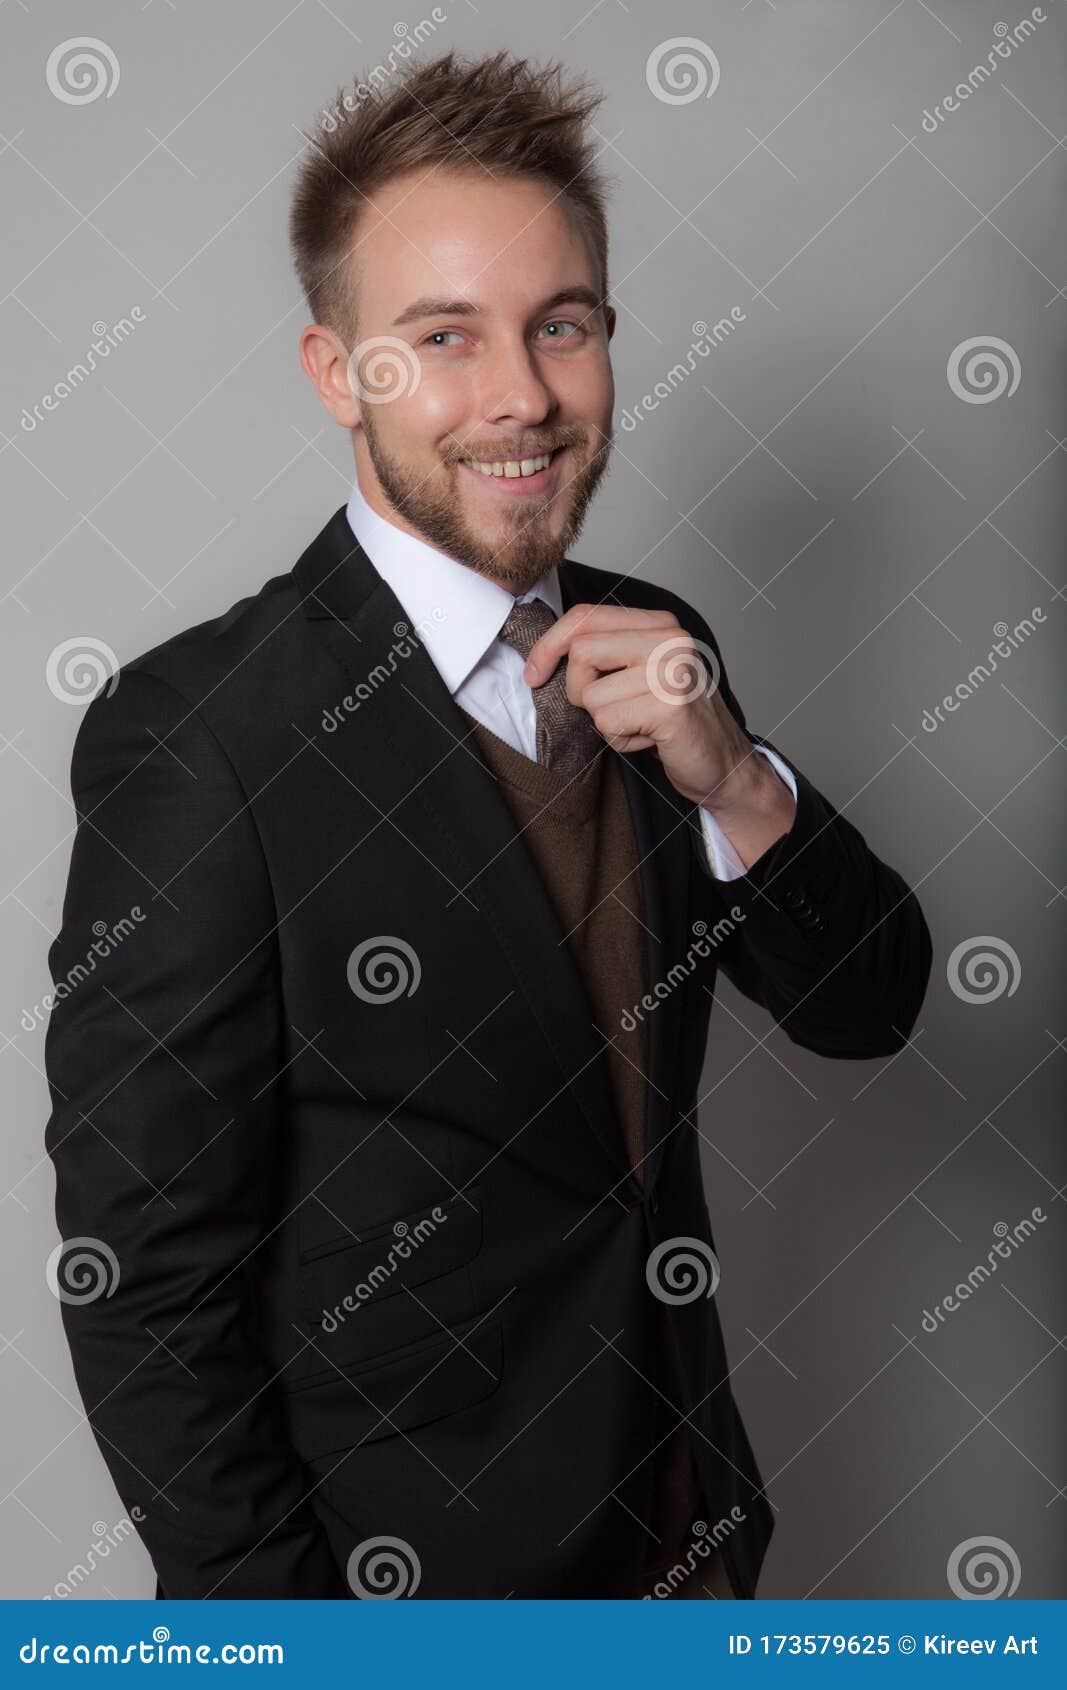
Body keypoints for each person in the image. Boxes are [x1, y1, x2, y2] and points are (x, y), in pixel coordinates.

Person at [44, 49, 932, 1600]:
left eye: (563, 326)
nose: (522, 394)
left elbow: (873, 1004)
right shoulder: (203, 737)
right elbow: (140, 1281)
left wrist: (737, 781)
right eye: (443, 336)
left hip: (688, 1547)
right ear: (340, 374)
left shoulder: (655, 646)